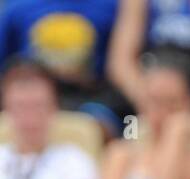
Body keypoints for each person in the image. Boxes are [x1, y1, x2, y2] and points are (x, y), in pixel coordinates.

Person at [0, 0, 129, 136]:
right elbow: (7, 66)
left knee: (106, 124)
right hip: (36, 94)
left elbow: (121, 61)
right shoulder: (17, 8)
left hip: (89, 95)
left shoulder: (112, 6)